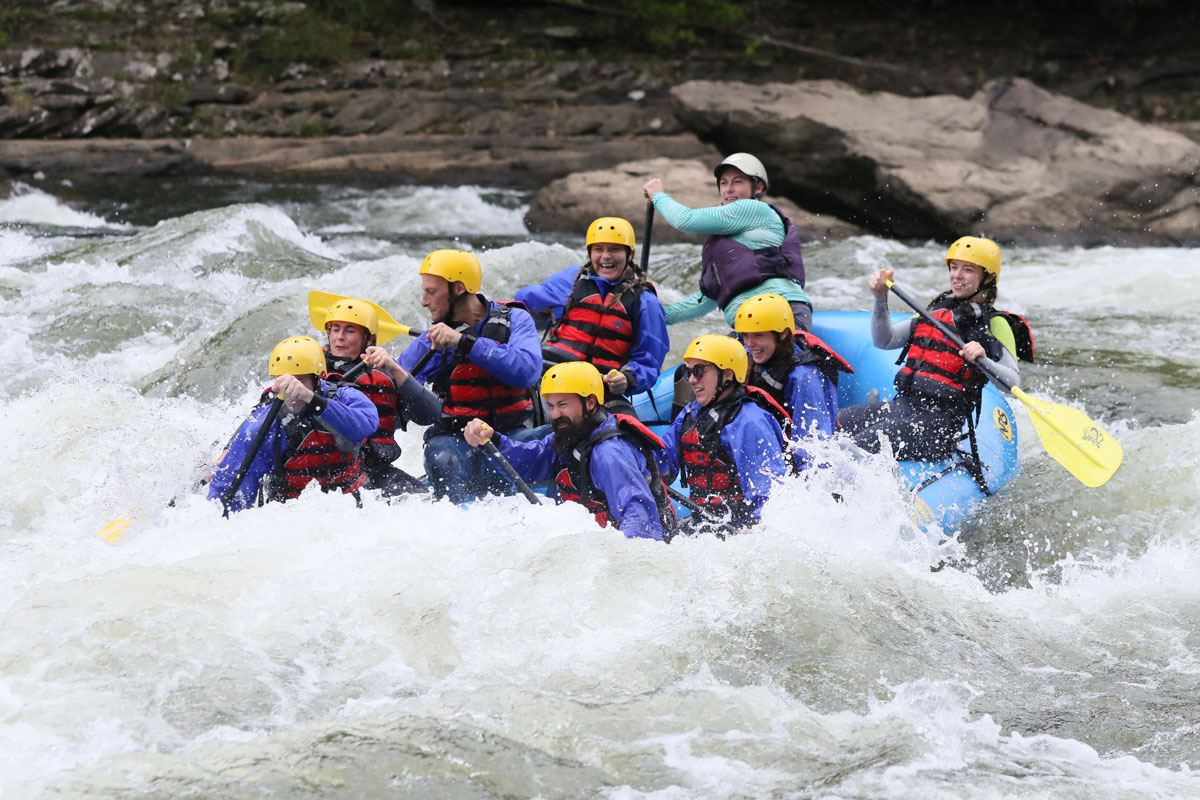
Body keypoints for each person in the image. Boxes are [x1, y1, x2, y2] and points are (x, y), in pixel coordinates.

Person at [362, 248, 542, 503]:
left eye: (431, 292)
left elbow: (528, 371)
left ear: (458, 288)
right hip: (456, 442)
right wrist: (382, 368)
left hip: (511, 437)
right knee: (440, 456)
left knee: (559, 440)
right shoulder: (433, 341)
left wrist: (464, 343)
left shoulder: (515, 320)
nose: (424, 301)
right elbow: (392, 391)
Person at [837, 236, 1034, 461]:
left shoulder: (995, 324)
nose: (957, 276)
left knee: (858, 445)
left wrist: (983, 358)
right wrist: (880, 298)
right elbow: (885, 340)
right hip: (904, 406)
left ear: (988, 278)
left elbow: (1012, 383)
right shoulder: (936, 311)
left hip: (939, 427)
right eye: (954, 267)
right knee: (836, 423)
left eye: (968, 270)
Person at [461, 362, 675, 541]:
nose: (555, 415)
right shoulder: (572, 436)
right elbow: (530, 461)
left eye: (562, 404)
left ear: (590, 403)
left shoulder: (610, 453)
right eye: (551, 406)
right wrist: (493, 440)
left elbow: (638, 516)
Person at [642, 152, 814, 332]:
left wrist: (658, 195)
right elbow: (706, 300)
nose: (729, 189)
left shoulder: (753, 209)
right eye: (724, 183)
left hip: (780, 313)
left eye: (738, 181)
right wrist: (659, 316)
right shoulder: (728, 243)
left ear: (758, 187)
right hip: (752, 324)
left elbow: (685, 220)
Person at [208, 336, 379, 512]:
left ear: (319, 380)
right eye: (285, 381)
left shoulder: (344, 397)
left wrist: (310, 398)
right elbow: (230, 496)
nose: (292, 391)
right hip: (293, 514)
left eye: (300, 381)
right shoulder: (266, 425)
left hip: (354, 504)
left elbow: (366, 425)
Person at [515, 216, 669, 411]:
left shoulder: (646, 302)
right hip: (550, 376)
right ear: (590, 252)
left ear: (629, 254)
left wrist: (628, 378)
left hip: (599, 389)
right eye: (599, 249)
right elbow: (521, 307)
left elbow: (649, 359)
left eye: (614, 249)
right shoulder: (570, 281)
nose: (606, 256)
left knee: (623, 434)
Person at [656, 334, 790, 535]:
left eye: (699, 371)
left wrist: (756, 529)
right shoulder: (691, 413)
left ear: (727, 375)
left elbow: (769, 491)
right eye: (688, 371)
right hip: (703, 522)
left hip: (739, 528)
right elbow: (662, 457)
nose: (691, 380)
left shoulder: (749, 422)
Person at [733, 292, 853, 472]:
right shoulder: (750, 354)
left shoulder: (804, 377)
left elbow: (813, 446)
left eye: (758, 335)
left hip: (792, 454)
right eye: (745, 335)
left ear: (782, 335)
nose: (750, 343)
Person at [319, 298, 425, 496]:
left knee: (418, 497)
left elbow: (430, 415)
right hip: (332, 474)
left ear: (368, 340)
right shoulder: (313, 371)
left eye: (350, 330)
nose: (339, 337)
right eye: (335, 329)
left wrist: (395, 370)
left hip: (377, 470)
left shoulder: (383, 374)